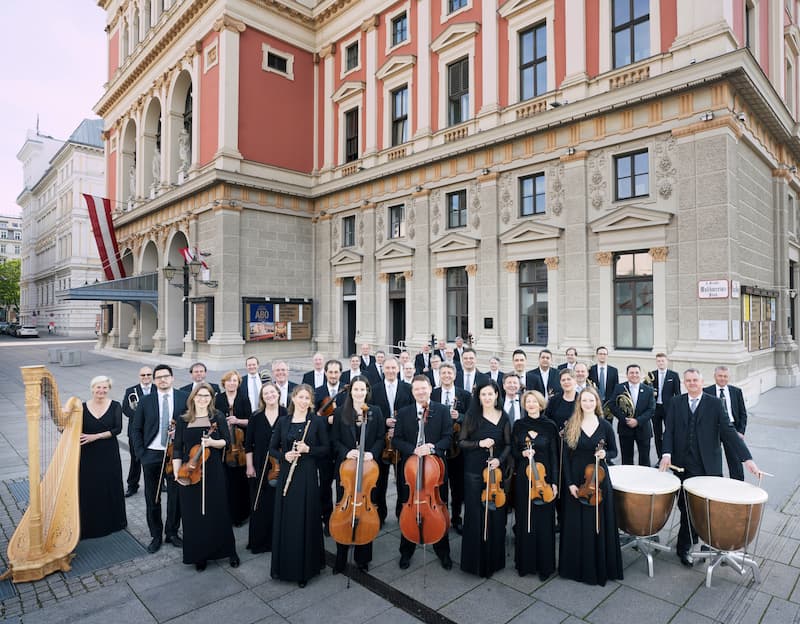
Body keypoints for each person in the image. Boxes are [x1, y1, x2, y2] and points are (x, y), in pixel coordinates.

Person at [659, 368, 759, 567]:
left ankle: (709, 545)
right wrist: (666, 454)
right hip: (681, 466)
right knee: (686, 508)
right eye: (688, 380)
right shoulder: (676, 403)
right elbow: (668, 430)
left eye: (695, 380)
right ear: (684, 383)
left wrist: (747, 459)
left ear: (702, 382)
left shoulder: (714, 404)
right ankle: (685, 547)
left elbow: (729, 433)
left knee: (707, 510)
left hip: (707, 467)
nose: (692, 383)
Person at [559, 387, 623, 586]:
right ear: (579, 403)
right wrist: (569, 483)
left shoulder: (605, 425)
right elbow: (566, 459)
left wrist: (606, 455)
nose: (588, 404)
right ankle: (576, 567)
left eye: (591, 400)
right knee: (577, 523)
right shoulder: (572, 424)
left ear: (596, 403)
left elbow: (614, 451)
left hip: (599, 479)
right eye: (584, 400)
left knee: (599, 523)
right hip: (577, 478)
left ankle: (599, 566)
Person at [172, 384, 239, 571]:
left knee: (218, 511)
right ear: (193, 397)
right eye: (199, 395)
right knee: (194, 515)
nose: (203, 399)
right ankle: (199, 554)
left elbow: (226, 441)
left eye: (207, 396)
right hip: (190, 470)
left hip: (213, 470)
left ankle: (229, 551)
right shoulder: (183, 419)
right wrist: (178, 473)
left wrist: (211, 442)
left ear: (211, 398)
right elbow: (177, 448)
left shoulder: (216, 417)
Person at [271, 384, 328, 587]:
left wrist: (308, 448)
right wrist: (283, 455)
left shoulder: (317, 422)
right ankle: (285, 566)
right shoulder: (283, 421)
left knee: (306, 519)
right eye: (301, 397)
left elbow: (326, 449)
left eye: (307, 399)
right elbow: (271, 448)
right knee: (288, 519)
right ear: (293, 399)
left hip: (307, 475)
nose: (304, 401)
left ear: (311, 402)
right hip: (288, 471)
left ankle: (305, 569)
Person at [394, 375, 453, 570]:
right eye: (416, 389)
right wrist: (413, 449)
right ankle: (406, 551)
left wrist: (433, 448)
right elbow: (397, 440)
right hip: (411, 470)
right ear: (412, 392)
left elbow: (448, 438)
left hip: (435, 472)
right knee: (408, 509)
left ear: (430, 389)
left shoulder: (442, 411)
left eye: (424, 388)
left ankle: (443, 551)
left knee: (439, 509)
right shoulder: (404, 413)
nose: (420, 392)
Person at [330, 376, 385, 573]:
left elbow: (380, 437)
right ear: (350, 391)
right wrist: (346, 451)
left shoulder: (375, 412)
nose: (359, 393)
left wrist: (373, 453)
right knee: (344, 510)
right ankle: (341, 556)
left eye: (362, 389)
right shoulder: (339, 412)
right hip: (346, 470)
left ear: (367, 391)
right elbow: (334, 439)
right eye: (356, 389)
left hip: (368, 470)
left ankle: (363, 559)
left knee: (365, 511)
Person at [131, 364, 187, 553]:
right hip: (152, 455)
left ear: (172, 378)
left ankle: (172, 532)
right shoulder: (146, 401)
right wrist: (141, 454)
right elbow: (136, 429)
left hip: (175, 455)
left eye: (166, 376)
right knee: (152, 498)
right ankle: (156, 535)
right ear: (154, 381)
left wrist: (179, 431)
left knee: (175, 497)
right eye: (159, 377)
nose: (163, 380)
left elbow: (191, 424)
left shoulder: (183, 398)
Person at [458, 379, 511, 578]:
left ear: (497, 395)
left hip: (494, 473)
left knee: (495, 513)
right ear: (478, 397)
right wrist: (479, 443)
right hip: (473, 471)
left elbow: (508, 444)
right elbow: (462, 442)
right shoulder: (472, 416)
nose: (487, 397)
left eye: (491, 394)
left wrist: (499, 460)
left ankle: (493, 561)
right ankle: (474, 563)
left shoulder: (503, 416)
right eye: (483, 394)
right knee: (475, 514)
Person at [512, 390, 557, 580]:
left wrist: (554, 482)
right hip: (524, 478)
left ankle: (545, 566)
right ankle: (525, 564)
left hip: (544, 480)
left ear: (541, 404)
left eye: (534, 401)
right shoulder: (519, 425)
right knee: (525, 519)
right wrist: (521, 454)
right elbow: (513, 449)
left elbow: (554, 455)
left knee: (545, 521)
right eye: (527, 401)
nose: (531, 404)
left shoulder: (549, 426)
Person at [79, 375, 127, 539]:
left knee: (110, 484)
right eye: (98, 387)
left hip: (108, 451)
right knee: (90, 486)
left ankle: (114, 522)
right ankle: (91, 524)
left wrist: (96, 436)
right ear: (92, 388)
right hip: (87, 454)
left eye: (105, 387)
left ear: (109, 389)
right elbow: (69, 430)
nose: (101, 390)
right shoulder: (81, 407)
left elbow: (117, 429)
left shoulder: (115, 406)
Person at [370, 356, 414, 524]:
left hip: (401, 441)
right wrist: (384, 422)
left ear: (398, 369)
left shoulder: (408, 388)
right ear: (383, 370)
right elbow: (372, 415)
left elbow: (411, 413)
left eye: (393, 368)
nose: (390, 371)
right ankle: (380, 516)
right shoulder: (374, 390)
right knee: (379, 481)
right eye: (387, 368)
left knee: (403, 481)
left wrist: (398, 427)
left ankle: (401, 514)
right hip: (381, 441)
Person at [245, 382, 286, 553]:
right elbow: (248, 445)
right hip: (260, 465)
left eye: (272, 392)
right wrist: (249, 466)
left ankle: (278, 540)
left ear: (278, 393)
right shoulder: (256, 417)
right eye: (266, 393)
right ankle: (260, 542)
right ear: (262, 397)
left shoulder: (286, 414)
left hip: (281, 465)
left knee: (280, 503)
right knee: (259, 504)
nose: (269, 395)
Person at [431, 362, 471, 534]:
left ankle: (456, 518)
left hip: (458, 449)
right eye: (443, 373)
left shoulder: (465, 395)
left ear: (455, 375)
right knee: (438, 485)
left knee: (457, 486)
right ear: (439, 375)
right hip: (438, 447)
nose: (446, 375)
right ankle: (440, 517)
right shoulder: (433, 393)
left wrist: (460, 416)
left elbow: (472, 418)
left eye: (449, 373)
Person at [313, 359, 346, 534]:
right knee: (324, 485)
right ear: (325, 373)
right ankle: (326, 520)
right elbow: (313, 418)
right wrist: (327, 420)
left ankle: (341, 518)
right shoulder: (318, 393)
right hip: (324, 446)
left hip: (341, 445)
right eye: (330, 372)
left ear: (341, 373)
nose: (333, 375)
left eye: (336, 372)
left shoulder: (346, 392)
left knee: (343, 485)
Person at [215, 370, 251, 527]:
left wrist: (237, 420)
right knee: (226, 483)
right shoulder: (219, 399)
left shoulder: (244, 398)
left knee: (241, 482)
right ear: (224, 383)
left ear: (238, 383)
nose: (231, 383)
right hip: (224, 447)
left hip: (240, 448)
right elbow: (213, 419)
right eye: (229, 380)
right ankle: (227, 514)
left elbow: (250, 421)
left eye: (234, 380)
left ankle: (241, 515)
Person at [703, 365, 748, 480]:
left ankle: (738, 484)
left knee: (735, 460)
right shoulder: (706, 392)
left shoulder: (736, 391)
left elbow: (743, 413)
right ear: (714, 376)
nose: (722, 378)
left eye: (725, 376)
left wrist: (741, 431)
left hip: (731, 428)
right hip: (713, 429)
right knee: (713, 458)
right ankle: (714, 481)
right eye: (720, 376)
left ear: (729, 377)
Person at [610, 364, 655, 466]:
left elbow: (651, 409)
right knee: (626, 459)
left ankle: (644, 480)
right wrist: (624, 419)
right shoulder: (619, 387)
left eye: (636, 373)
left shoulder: (648, 390)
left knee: (644, 459)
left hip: (643, 429)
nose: (634, 375)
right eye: (631, 373)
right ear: (627, 375)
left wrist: (637, 421)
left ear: (641, 374)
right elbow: (612, 405)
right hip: (625, 428)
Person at [122, 366, 153, 497]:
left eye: (148, 375)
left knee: (155, 459)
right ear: (139, 376)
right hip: (136, 431)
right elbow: (126, 409)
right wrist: (140, 416)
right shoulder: (131, 391)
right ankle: (132, 485)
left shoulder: (158, 389)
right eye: (143, 375)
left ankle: (160, 483)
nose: (146, 377)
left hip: (153, 431)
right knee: (135, 459)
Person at [650, 353, 681, 462]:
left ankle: (671, 455)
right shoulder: (651, 375)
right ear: (656, 362)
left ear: (667, 361)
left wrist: (677, 410)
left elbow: (678, 394)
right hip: (656, 408)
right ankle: (660, 457)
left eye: (663, 361)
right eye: (658, 361)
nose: (661, 363)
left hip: (669, 409)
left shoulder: (674, 375)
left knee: (670, 432)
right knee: (657, 434)